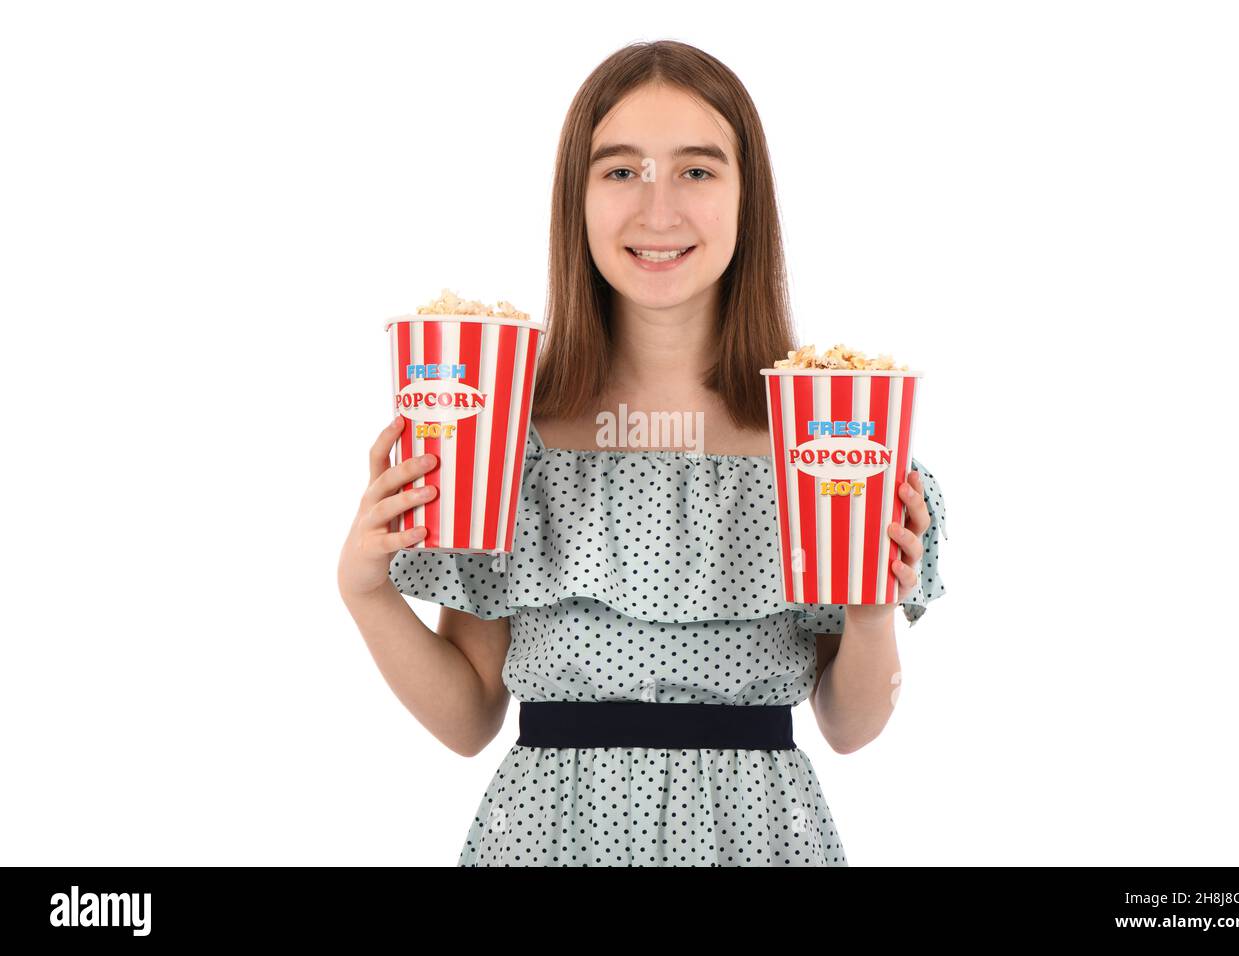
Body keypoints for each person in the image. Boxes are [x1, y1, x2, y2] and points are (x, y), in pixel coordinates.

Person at [338, 40, 948, 866]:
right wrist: (367, 591)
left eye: (697, 171)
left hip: (759, 840)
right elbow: (469, 715)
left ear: (747, 200)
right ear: (577, 200)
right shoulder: (511, 444)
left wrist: (873, 608)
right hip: (545, 842)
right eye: (621, 171)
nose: (658, 211)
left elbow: (850, 726)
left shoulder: (828, 439)